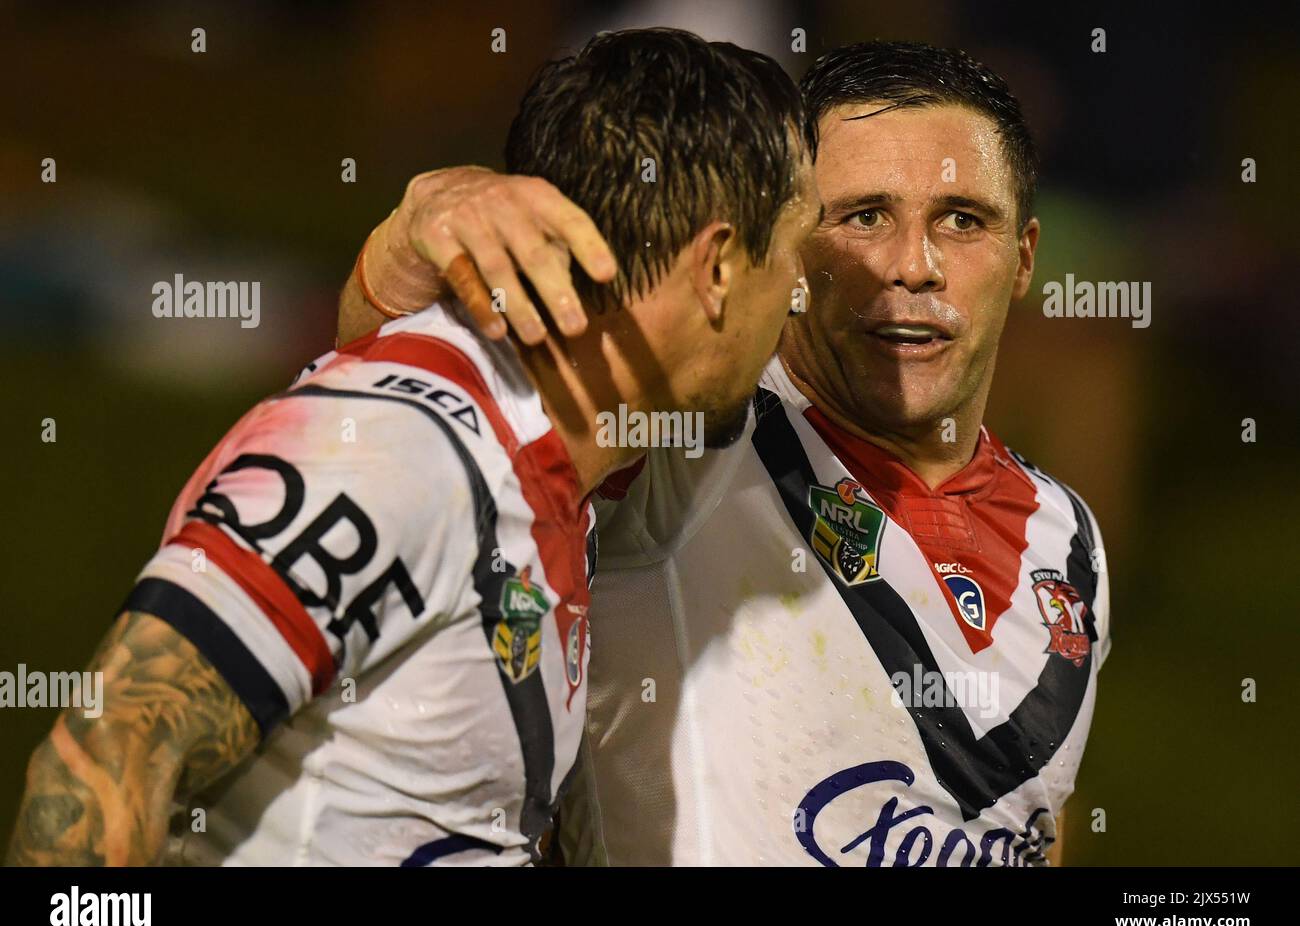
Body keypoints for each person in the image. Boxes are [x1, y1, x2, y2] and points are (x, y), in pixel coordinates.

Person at [6, 28, 821, 867]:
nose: (798, 299)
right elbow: (98, 766)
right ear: (719, 265)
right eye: (795, 254)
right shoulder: (402, 449)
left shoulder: (566, 453)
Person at [335, 40, 1111, 867]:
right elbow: (409, 407)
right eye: (863, 217)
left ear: (1024, 256)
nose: (911, 267)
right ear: (790, 240)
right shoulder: (695, 437)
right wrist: (417, 231)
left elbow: (1029, 821)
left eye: (962, 220)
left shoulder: (1069, 542)